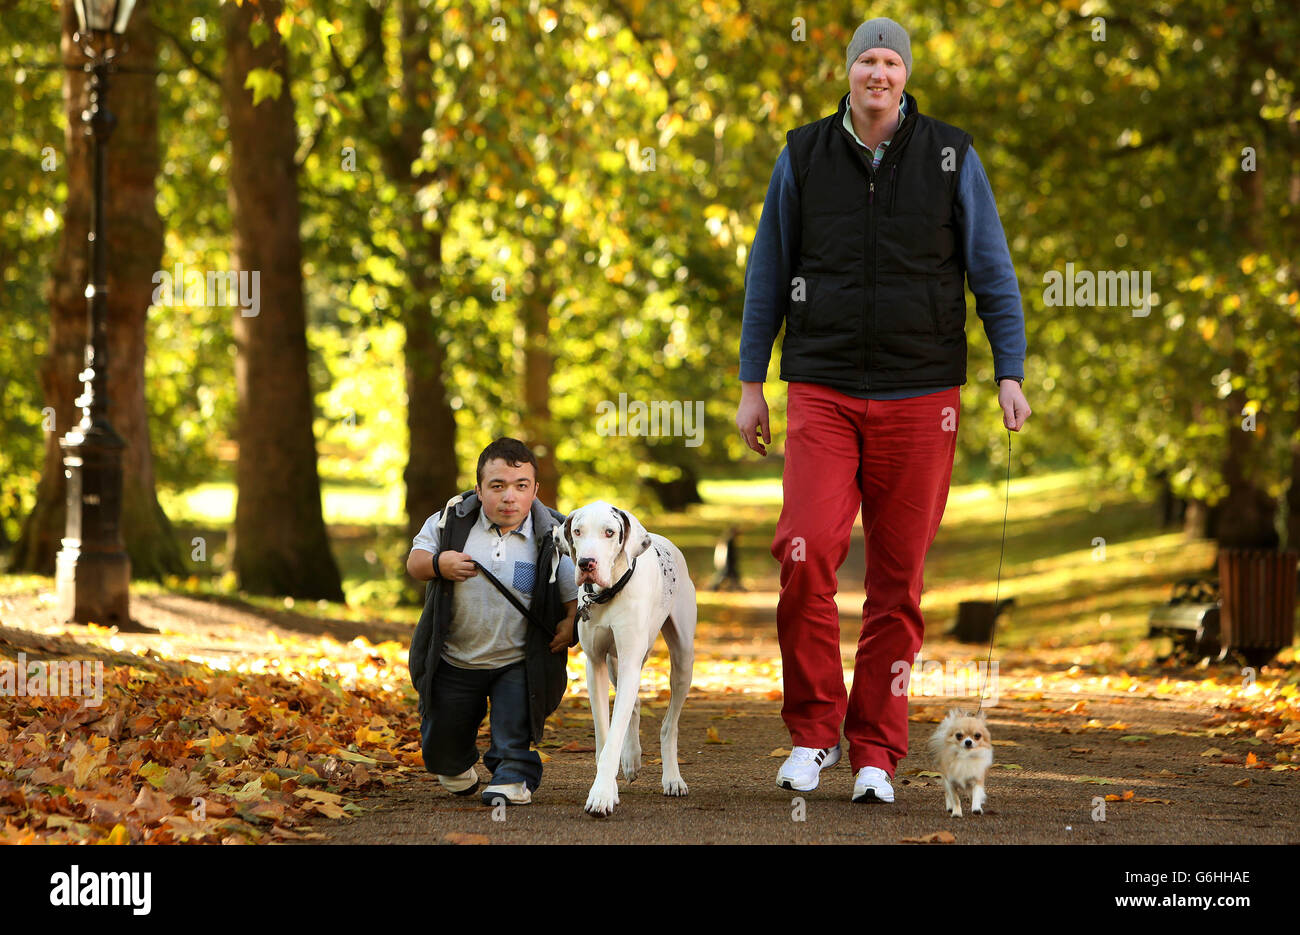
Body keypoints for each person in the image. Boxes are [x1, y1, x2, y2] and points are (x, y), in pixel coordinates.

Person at [735, 17, 1032, 804]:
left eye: (890, 60)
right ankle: (811, 735)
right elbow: (768, 269)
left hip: (922, 395)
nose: (878, 72)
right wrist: (749, 380)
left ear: (905, 75)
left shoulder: (950, 153)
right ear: (850, 71)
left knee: (898, 585)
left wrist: (1010, 371)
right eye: (866, 58)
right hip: (822, 389)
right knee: (804, 551)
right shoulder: (803, 153)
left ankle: (875, 749)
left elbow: (992, 269)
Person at [406, 437, 579, 806]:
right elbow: (415, 562)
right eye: (497, 486)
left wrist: (570, 622)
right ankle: (454, 766)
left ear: (535, 490)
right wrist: (440, 564)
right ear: (479, 489)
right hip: (455, 658)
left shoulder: (551, 533)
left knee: (513, 727)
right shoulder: (451, 520)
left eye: (520, 486)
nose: (509, 497)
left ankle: (513, 775)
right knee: (441, 743)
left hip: (516, 660)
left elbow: (570, 593)